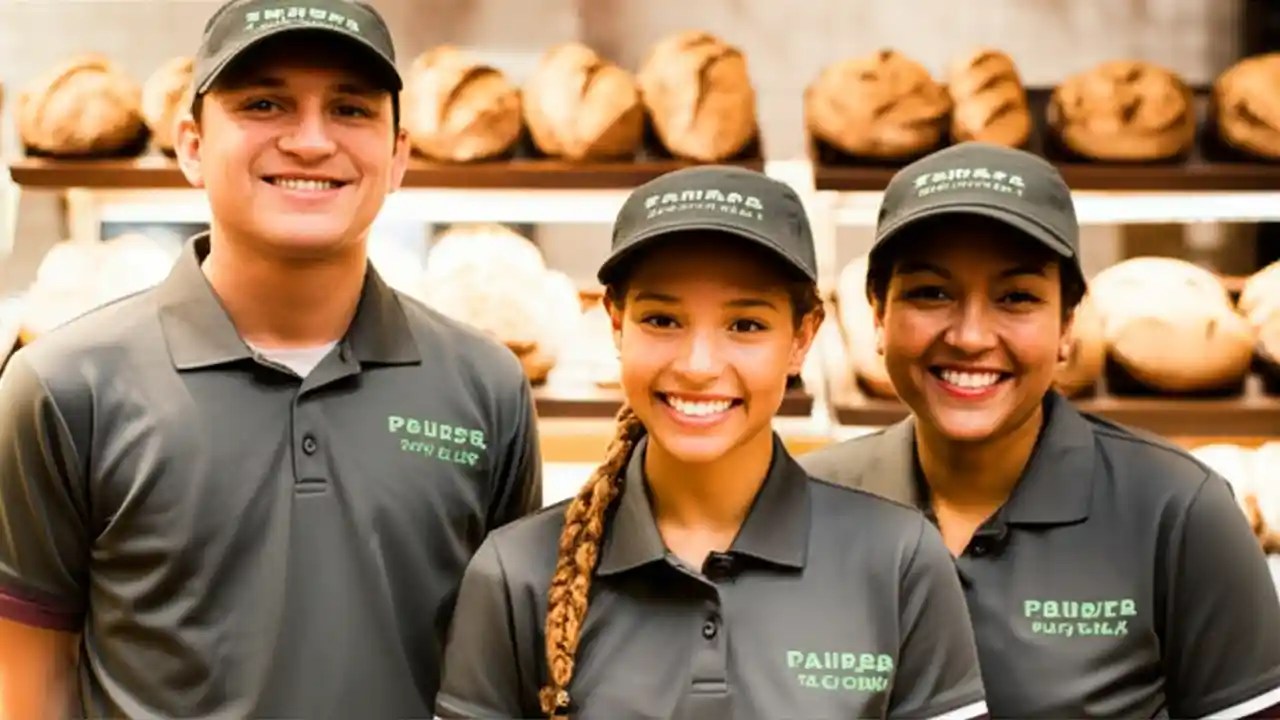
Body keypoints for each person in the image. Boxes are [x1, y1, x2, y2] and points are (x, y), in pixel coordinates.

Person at [0, 1, 542, 718]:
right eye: (264, 102)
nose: (312, 140)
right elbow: (29, 685)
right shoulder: (63, 390)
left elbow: (502, 676)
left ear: (399, 154)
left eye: (350, 108)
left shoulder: (486, 388)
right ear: (191, 145)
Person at [434, 165, 989, 720]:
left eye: (745, 325)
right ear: (616, 325)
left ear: (801, 338)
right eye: (662, 319)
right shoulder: (516, 572)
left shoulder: (898, 561)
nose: (699, 366)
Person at [801, 141, 1280, 718]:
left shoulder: (1176, 510)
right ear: (877, 314)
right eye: (931, 293)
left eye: (1016, 298)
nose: (972, 336)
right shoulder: (806, 505)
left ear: (1067, 325)